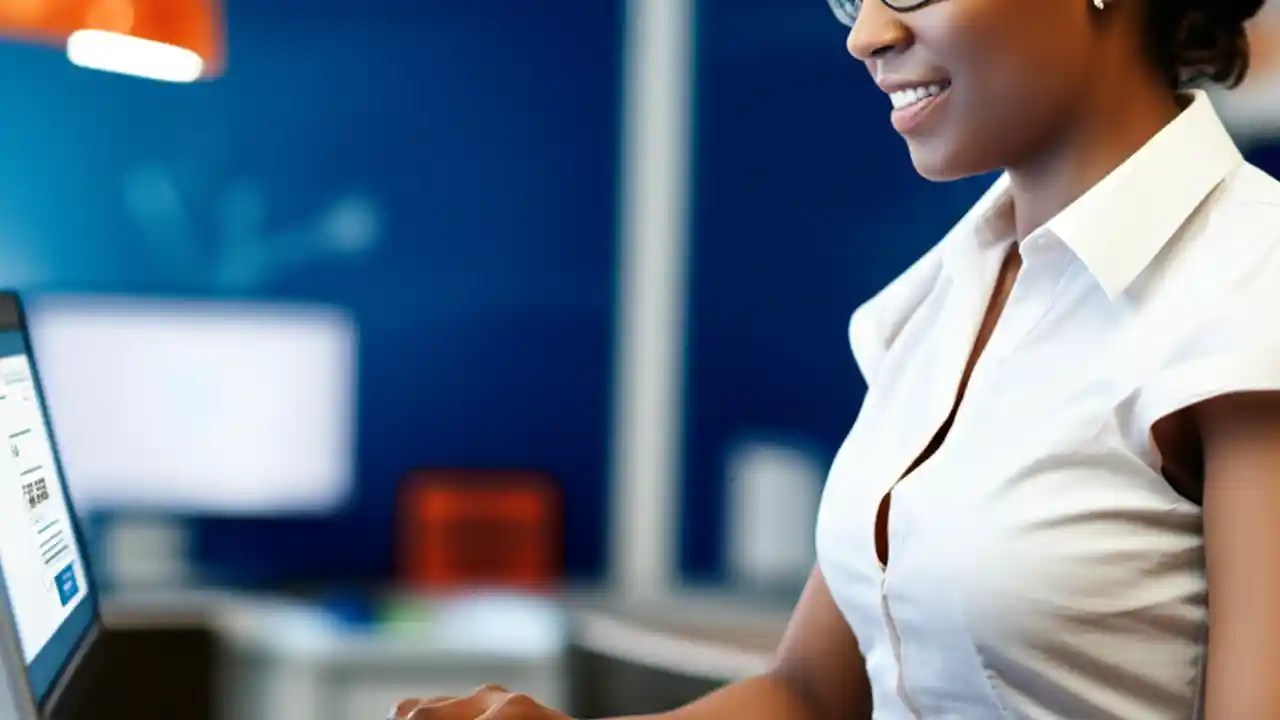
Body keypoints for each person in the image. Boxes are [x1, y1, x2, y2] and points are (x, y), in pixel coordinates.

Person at [393, 0, 1280, 717]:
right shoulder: (934, 303)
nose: (866, 36)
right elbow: (812, 693)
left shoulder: (1251, 289)